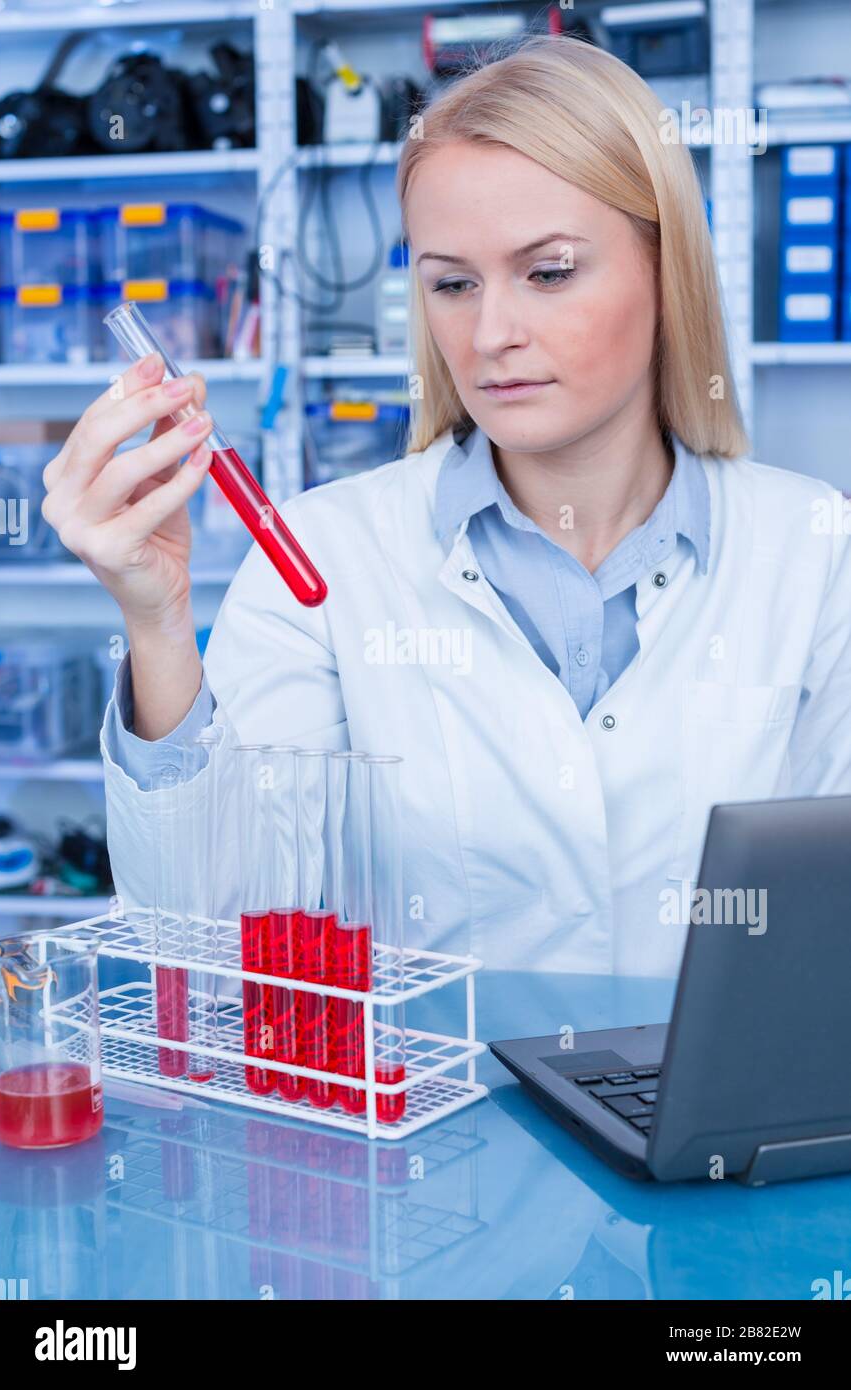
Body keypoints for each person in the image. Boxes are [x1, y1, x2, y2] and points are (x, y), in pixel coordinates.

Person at [43, 36, 851, 977]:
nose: (493, 334)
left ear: (665, 269)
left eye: (549, 272)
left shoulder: (814, 547)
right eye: (453, 284)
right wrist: (157, 623)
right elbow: (208, 930)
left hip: (714, 1120)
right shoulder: (326, 554)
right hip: (437, 1120)